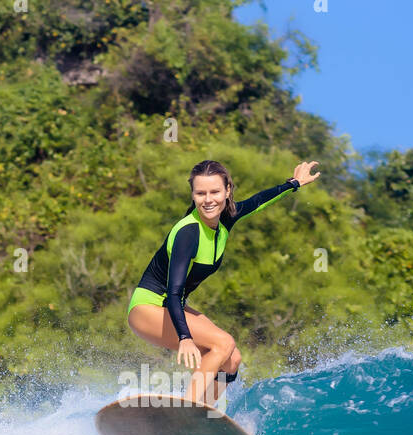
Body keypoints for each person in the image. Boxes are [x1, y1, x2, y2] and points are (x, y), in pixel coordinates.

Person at [126, 158, 321, 407]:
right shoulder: (189, 232)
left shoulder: (224, 220)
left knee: (232, 358)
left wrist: (294, 184)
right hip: (148, 308)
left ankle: (204, 416)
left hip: (169, 306)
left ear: (227, 191)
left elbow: (257, 202)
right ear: (193, 195)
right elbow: (174, 293)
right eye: (200, 193)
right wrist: (185, 337)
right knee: (223, 342)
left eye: (215, 192)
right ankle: (188, 410)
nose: (208, 200)